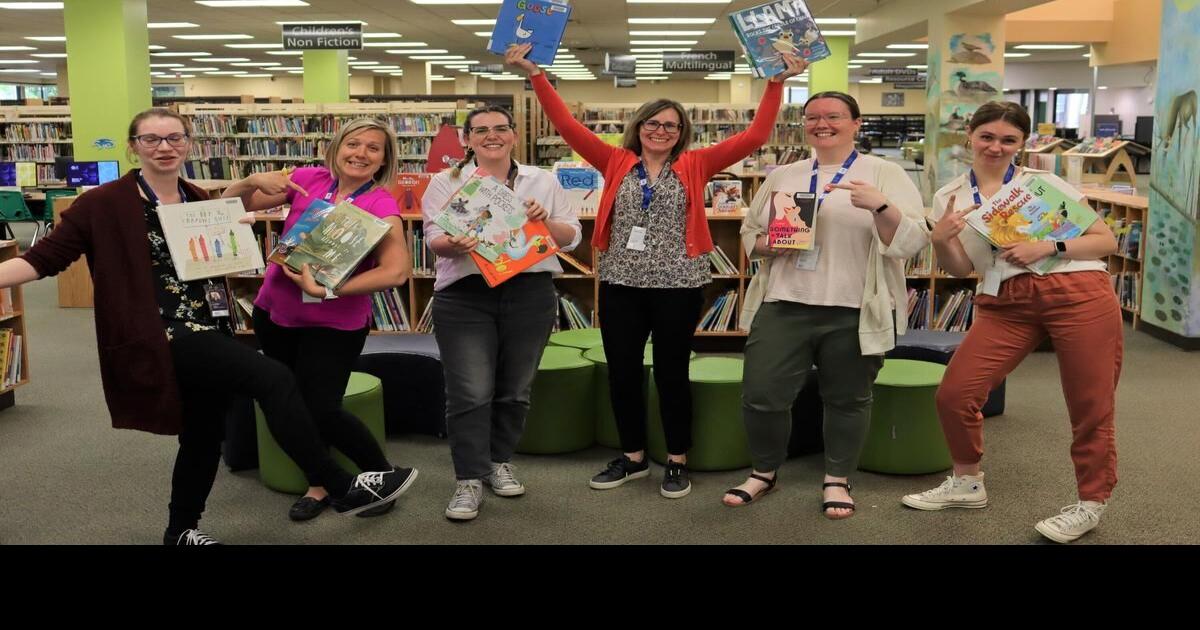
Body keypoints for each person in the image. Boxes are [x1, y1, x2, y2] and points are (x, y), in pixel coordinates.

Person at [0, 108, 413, 544]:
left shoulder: (195, 198)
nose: (164, 147)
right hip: (159, 329)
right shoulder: (103, 203)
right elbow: (42, 259)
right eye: (151, 139)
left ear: (189, 144)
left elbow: (221, 236)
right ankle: (340, 486)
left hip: (210, 324)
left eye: (174, 138)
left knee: (203, 433)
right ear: (133, 146)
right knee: (272, 378)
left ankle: (180, 531)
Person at [506, 42, 807, 499]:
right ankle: (632, 458)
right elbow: (567, 126)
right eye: (653, 123)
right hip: (621, 284)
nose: (661, 130)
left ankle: (677, 460)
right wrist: (536, 76)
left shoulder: (696, 163)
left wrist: (775, 84)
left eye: (671, 125)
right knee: (623, 372)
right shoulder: (615, 160)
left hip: (679, 285)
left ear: (681, 132)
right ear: (639, 126)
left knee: (671, 374)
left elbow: (753, 138)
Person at [900, 101, 1121, 543]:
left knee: (1090, 404)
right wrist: (940, 241)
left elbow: (1105, 240)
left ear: (1021, 143)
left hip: (1076, 291)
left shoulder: (1042, 184)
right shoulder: (950, 195)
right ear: (970, 135)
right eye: (987, 136)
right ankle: (967, 482)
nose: (996, 147)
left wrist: (1049, 246)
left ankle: (1091, 503)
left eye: (1008, 140)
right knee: (955, 393)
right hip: (1005, 299)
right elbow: (961, 269)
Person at [728, 91, 930, 518]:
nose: (822, 124)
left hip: (854, 307)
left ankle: (837, 477)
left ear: (856, 123)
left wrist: (880, 205)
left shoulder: (885, 173)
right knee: (762, 394)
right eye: (812, 117)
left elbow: (913, 241)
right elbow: (751, 234)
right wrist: (769, 246)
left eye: (834, 116)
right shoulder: (785, 174)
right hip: (785, 301)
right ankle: (764, 472)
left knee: (848, 398)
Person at [222, 118, 418, 522]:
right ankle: (320, 483)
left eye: (373, 148)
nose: (360, 154)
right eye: (353, 143)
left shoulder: (380, 204)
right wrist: (249, 181)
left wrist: (330, 289)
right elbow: (227, 207)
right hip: (275, 313)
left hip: (334, 325)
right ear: (337, 146)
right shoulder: (307, 179)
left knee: (321, 408)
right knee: (285, 404)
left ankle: (381, 476)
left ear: (384, 160)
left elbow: (397, 271)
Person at [422, 105, 582, 521]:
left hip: (529, 292)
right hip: (465, 295)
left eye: (500, 128)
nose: (491, 136)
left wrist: (545, 223)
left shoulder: (542, 180)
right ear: (467, 139)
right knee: (470, 391)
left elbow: (571, 237)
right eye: (480, 130)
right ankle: (468, 479)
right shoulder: (446, 181)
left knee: (515, 389)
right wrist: (453, 243)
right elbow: (433, 237)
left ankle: (497, 461)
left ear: (514, 134)